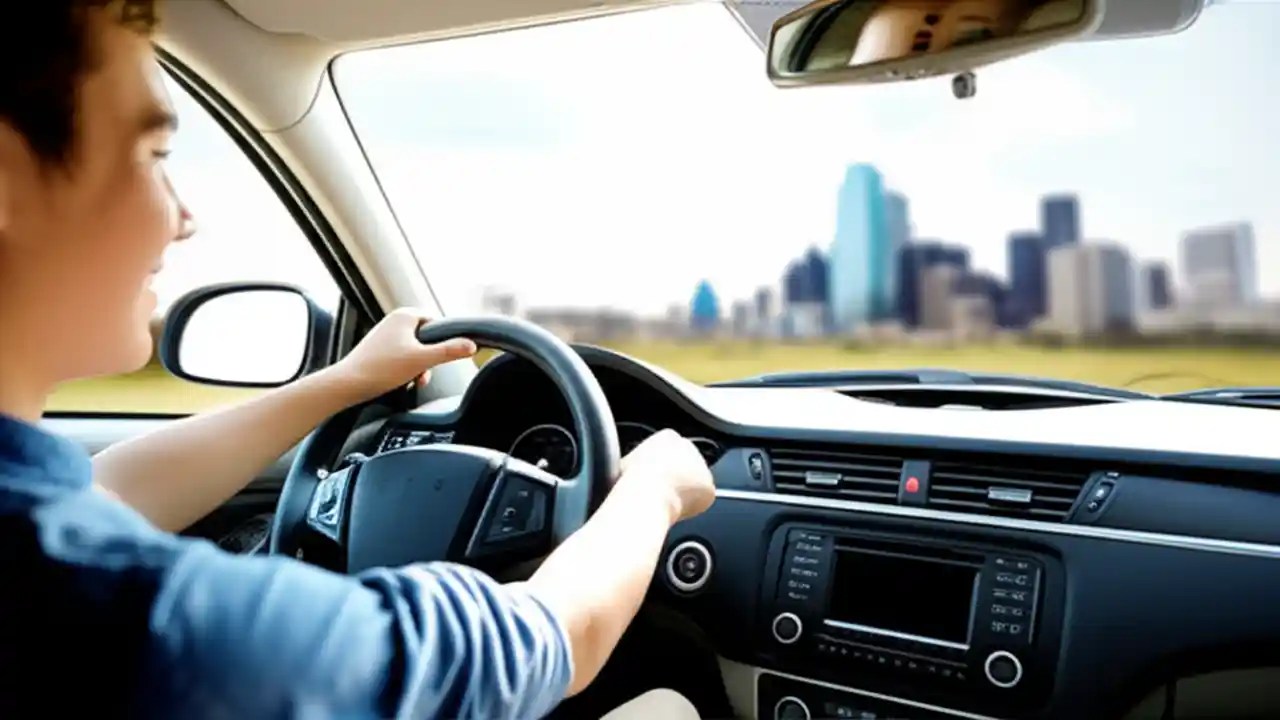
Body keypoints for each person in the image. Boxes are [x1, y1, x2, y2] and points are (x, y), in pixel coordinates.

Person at [0, 2, 714, 718]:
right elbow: (550, 639)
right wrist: (654, 492)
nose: (184, 217)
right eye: (153, 156)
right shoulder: (148, 623)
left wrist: (345, 383)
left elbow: (108, 489)